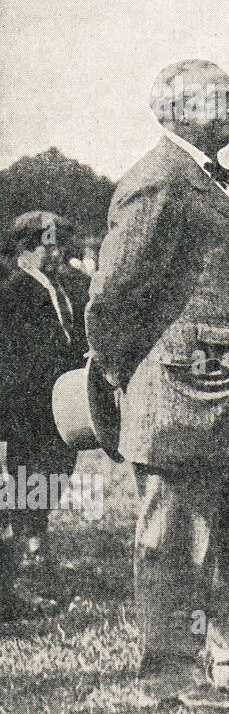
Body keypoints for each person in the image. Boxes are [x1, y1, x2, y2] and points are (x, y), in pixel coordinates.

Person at [85, 58, 229, 708]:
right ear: (177, 110)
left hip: (222, 397)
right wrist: (127, 370)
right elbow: (112, 296)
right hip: (180, 395)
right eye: (219, 95)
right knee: (175, 541)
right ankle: (171, 674)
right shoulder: (158, 180)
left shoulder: (206, 178)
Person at [0, 211, 88, 602]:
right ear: (27, 248)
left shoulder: (60, 287)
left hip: (59, 398)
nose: (57, 252)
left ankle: (38, 537)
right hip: (28, 401)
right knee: (28, 470)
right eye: (49, 244)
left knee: (56, 467)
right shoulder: (15, 290)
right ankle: (27, 545)